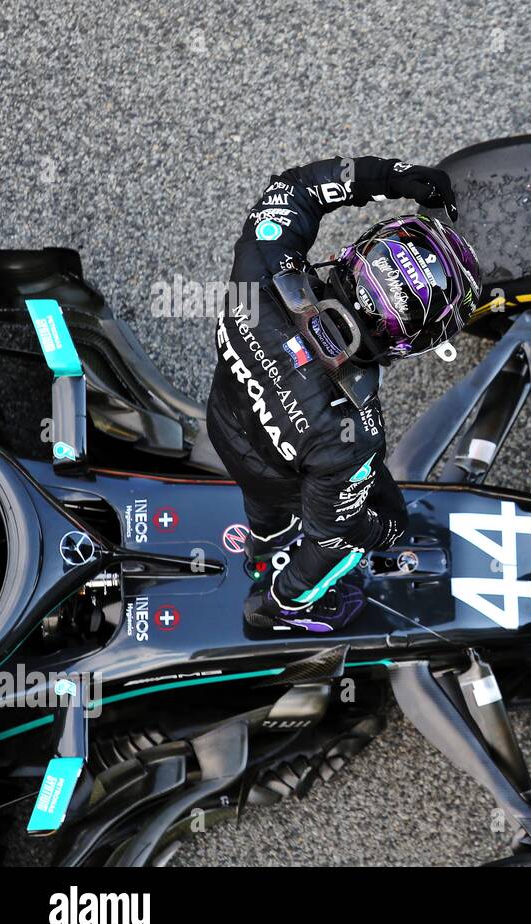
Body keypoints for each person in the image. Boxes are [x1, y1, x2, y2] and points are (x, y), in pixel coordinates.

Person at [206, 156, 482, 632]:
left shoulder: (259, 270)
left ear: (356, 257)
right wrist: (385, 531)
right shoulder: (353, 434)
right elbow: (333, 536)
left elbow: (295, 188)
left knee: (273, 503)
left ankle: (267, 538)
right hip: (289, 475)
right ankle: (282, 608)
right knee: (370, 531)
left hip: (226, 424)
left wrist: (389, 176)